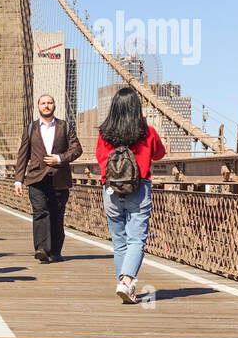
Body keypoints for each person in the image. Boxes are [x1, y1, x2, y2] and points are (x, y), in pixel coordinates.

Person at [95, 86, 166, 303]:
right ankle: (126, 281)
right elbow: (160, 154)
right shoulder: (147, 132)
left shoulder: (104, 133)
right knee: (136, 240)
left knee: (119, 242)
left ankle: (124, 285)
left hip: (112, 190)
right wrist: (144, 126)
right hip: (139, 190)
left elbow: (100, 159)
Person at [13, 94, 83, 262]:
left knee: (57, 215)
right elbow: (23, 155)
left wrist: (59, 158)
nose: (46, 106)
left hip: (59, 178)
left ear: (54, 106)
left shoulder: (65, 127)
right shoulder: (30, 129)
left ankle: (55, 251)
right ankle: (41, 248)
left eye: (49, 103)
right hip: (36, 178)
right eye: (43, 103)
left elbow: (77, 149)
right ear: (38, 107)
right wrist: (18, 180)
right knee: (40, 212)